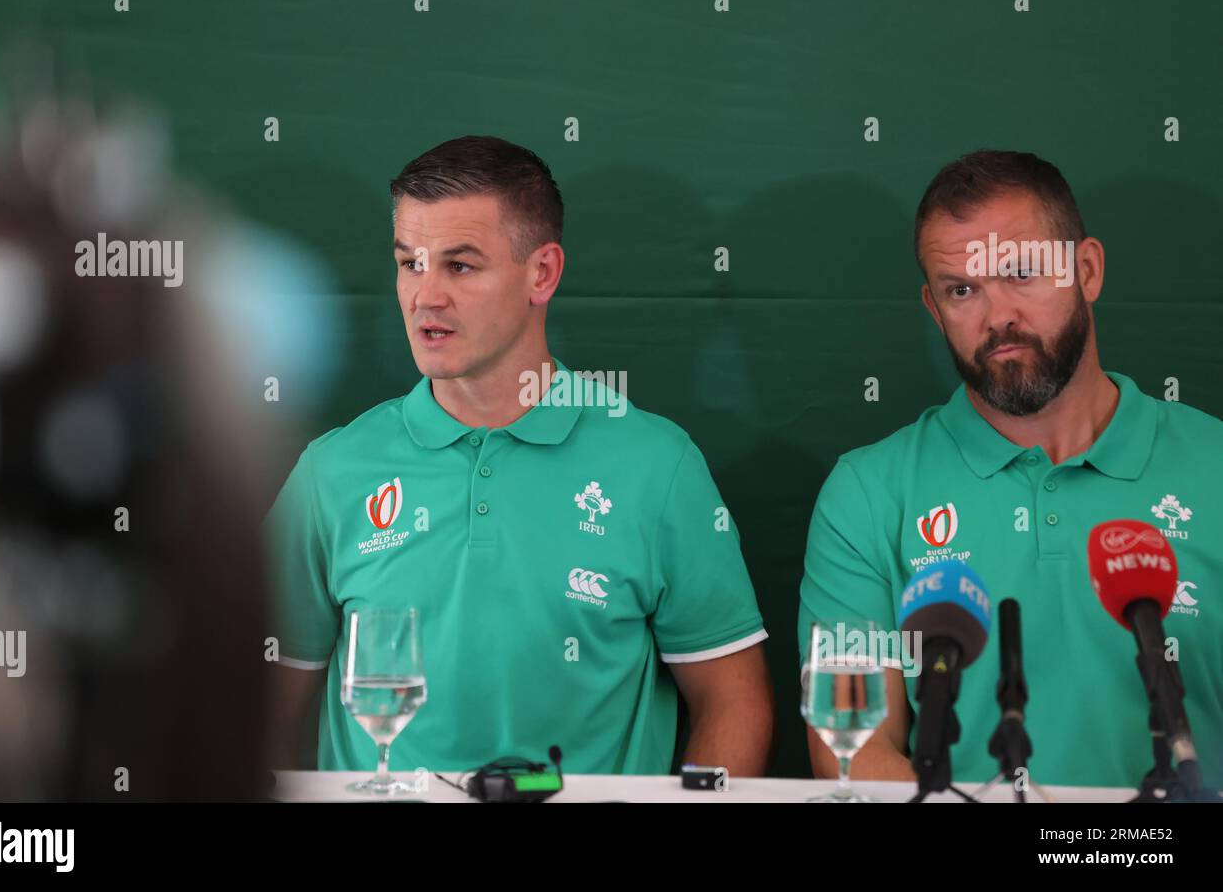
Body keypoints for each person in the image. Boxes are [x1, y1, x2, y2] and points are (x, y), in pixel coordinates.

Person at [266, 135, 773, 777]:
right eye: (410, 263)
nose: (426, 296)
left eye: (460, 265)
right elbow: (251, 710)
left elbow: (734, 700)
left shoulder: (657, 464)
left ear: (542, 273)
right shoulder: (330, 471)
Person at [798, 149, 1223, 789]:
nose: (997, 316)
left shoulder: (1213, 463)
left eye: (1022, 272)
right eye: (962, 289)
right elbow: (852, 750)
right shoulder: (865, 494)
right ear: (933, 307)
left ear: (1087, 269)